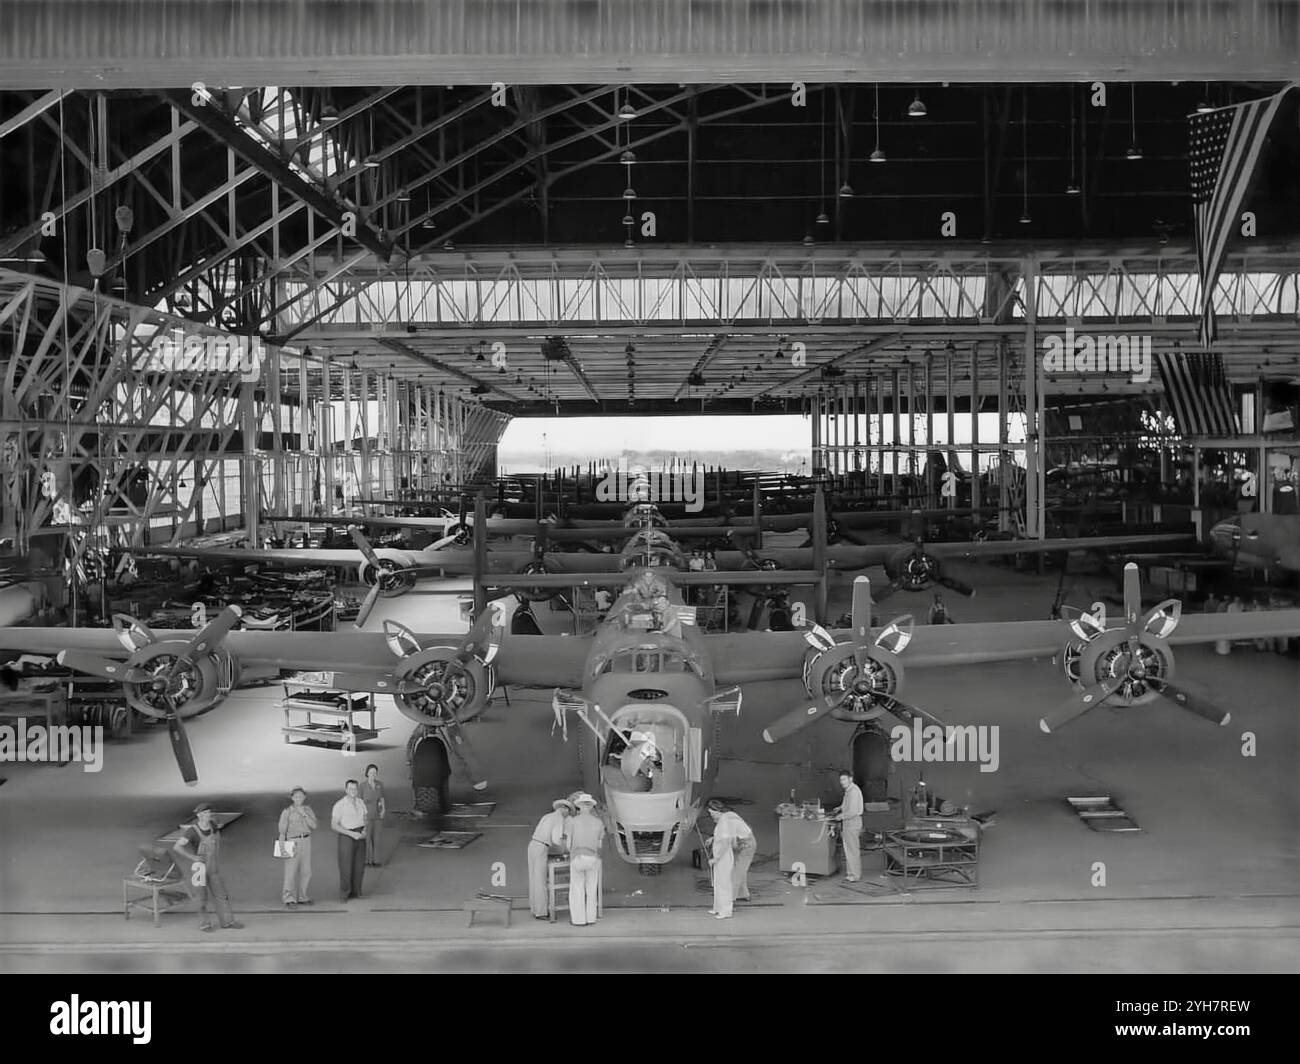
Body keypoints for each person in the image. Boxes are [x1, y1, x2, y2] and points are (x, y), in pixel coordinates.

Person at [173, 802, 244, 932]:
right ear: (199, 815)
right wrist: (193, 857)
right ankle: (205, 924)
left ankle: (228, 921)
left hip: (213, 867)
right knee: (201, 897)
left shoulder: (213, 826)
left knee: (221, 895)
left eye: (209, 812)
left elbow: (219, 826)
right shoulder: (192, 831)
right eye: (205, 813)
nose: (208, 814)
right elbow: (177, 847)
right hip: (198, 869)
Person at [707, 800, 757, 917]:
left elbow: (728, 840)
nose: (711, 817)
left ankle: (728, 905)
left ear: (717, 812)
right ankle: (741, 896)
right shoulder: (727, 816)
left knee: (734, 875)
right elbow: (727, 835)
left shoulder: (726, 821)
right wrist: (714, 838)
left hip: (745, 845)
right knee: (734, 873)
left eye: (712, 814)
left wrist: (717, 857)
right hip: (740, 843)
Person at [563, 793, 605, 926]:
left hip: (577, 857)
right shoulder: (599, 822)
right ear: (591, 807)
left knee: (577, 888)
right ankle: (591, 918)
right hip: (592, 858)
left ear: (579, 806)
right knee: (592, 889)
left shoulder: (572, 821)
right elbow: (599, 845)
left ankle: (578, 920)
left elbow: (568, 844)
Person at [527, 798, 573, 918]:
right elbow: (556, 839)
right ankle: (541, 912)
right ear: (564, 809)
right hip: (541, 847)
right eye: (568, 811)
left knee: (533, 879)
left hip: (533, 844)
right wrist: (565, 847)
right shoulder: (559, 818)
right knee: (541, 880)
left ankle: (534, 909)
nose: (568, 814)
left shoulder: (547, 816)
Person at [277, 786, 318, 910]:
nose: (298, 798)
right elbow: (282, 832)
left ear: (304, 797)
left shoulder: (308, 810)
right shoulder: (287, 811)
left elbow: (314, 826)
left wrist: (304, 814)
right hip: (292, 842)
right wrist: (282, 848)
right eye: (296, 796)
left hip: (306, 841)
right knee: (290, 871)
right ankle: (289, 898)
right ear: (292, 798)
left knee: (306, 871)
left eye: (301, 796)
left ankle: (302, 897)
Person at [331, 779, 369, 902]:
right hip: (347, 835)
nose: (353, 791)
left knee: (359, 866)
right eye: (350, 789)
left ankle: (356, 891)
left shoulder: (360, 802)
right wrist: (351, 834)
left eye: (355, 788)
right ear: (346, 790)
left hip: (360, 835)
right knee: (346, 866)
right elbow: (334, 825)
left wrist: (365, 830)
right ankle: (344, 893)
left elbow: (365, 818)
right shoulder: (340, 805)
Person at [832, 770, 865, 882]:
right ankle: (850, 874)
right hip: (848, 823)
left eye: (844, 779)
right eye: (841, 780)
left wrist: (840, 816)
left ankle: (855, 875)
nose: (842, 782)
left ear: (850, 779)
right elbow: (847, 804)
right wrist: (840, 808)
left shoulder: (854, 791)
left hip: (852, 822)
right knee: (848, 850)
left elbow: (853, 811)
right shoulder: (848, 790)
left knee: (852, 850)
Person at [360, 764, 387, 867]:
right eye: (371, 772)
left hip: (377, 814)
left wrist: (383, 809)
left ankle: (376, 860)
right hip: (367, 815)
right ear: (367, 773)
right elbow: (359, 801)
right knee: (367, 839)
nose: (373, 774)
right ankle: (368, 860)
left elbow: (382, 798)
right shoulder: (362, 786)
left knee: (377, 838)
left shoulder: (379, 785)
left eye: (375, 773)